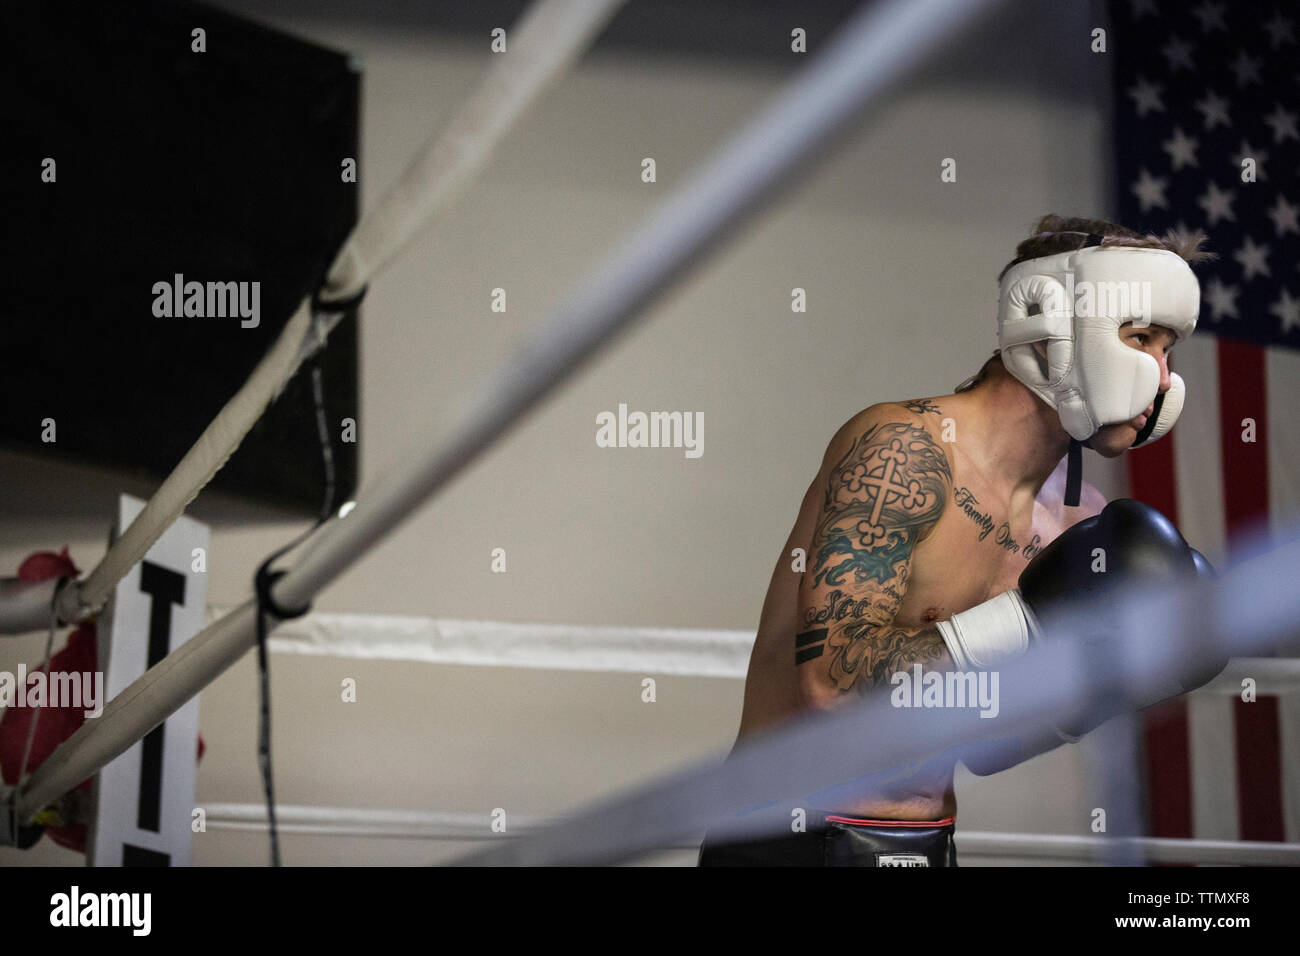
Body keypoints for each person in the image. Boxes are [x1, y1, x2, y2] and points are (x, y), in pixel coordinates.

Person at [699, 214, 1217, 866]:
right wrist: (1033, 622)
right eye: (1140, 339)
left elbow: (988, 748)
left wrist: (1102, 683)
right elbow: (832, 685)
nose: (1162, 379)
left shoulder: (1076, 520)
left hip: (924, 841)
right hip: (787, 836)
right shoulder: (904, 451)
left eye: (1169, 351)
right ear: (1053, 323)